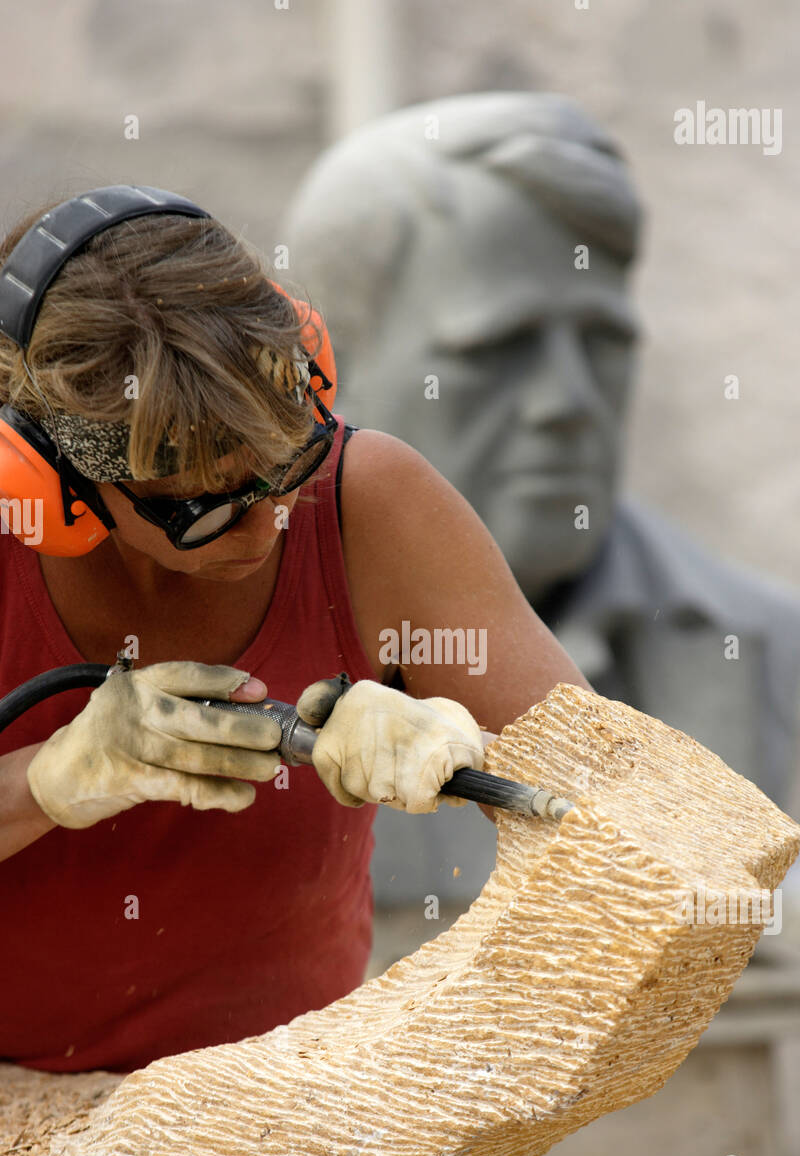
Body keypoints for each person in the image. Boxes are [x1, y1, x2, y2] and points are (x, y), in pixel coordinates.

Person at [0, 185, 589, 1075]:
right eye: (202, 509)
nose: (265, 526)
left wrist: (469, 748)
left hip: (284, 1111)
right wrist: (52, 779)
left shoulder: (368, 501)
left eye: (283, 469)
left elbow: (620, 791)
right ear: (51, 487)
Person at [285, 92, 800, 913]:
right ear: (327, 370)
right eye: (496, 347)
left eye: (601, 343)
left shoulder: (762, 641)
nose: (567, 400)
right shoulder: (229, 659)